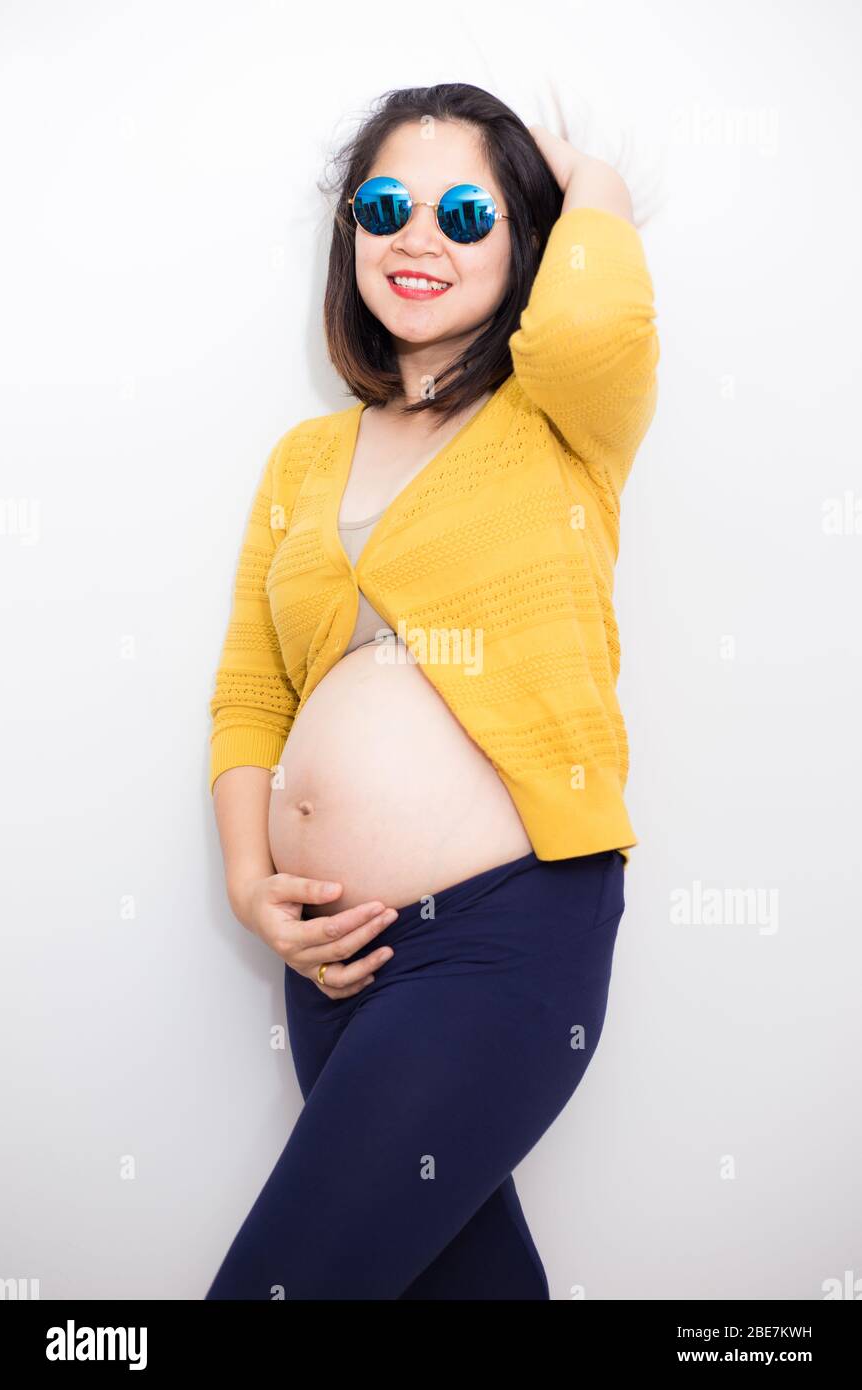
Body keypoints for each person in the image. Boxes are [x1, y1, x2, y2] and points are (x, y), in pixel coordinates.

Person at [204, 81, 659, 1300]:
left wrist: (594, 190)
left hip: (504, 937)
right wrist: (254, 885)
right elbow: (250, 693)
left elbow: (589, 332)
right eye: (385, 205)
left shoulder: (562, 418)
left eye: (466, 211)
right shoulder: (303, 459)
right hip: (334, 962)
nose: (417, 237)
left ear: (525, 238)